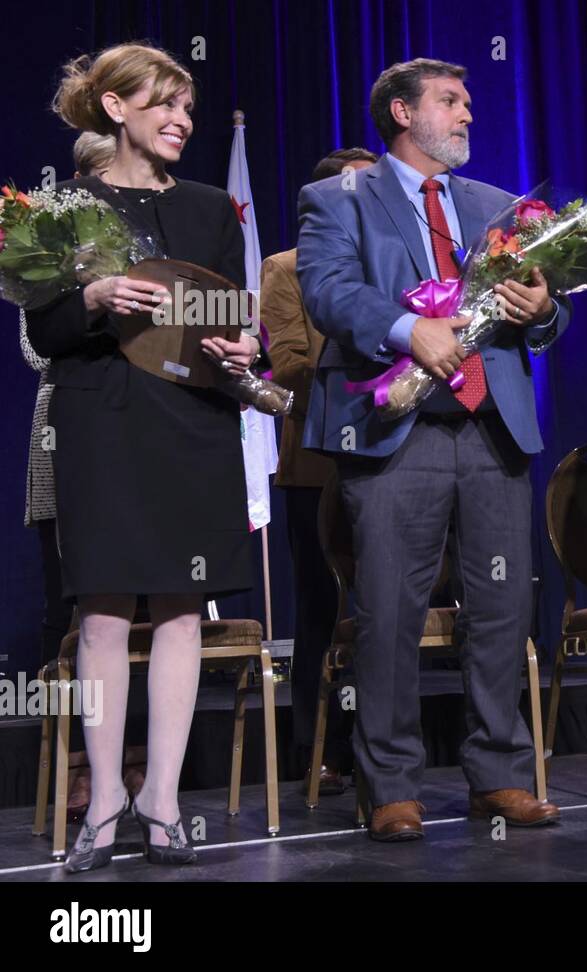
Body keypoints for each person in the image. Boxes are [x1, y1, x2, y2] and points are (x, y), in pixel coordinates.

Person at [297, 58, 568, 839]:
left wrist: (542, 308)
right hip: (395, 432)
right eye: (450, 102)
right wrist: (405, 327)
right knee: (389, 610)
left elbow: (549, 326)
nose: (468, 115)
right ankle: (390, 787)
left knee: (501, 607)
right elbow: (328, 290)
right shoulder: (336, 198)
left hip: (492, 429)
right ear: (401, 113)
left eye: (468, 103)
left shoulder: (500, 206)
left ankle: (500, 775)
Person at [29, 42, 260, 872]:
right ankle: (104, 807)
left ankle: (161, 803)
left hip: (193, 420)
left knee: (178, 612)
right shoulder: (64, 209)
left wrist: (241, 347)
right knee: (101, 615)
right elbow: (43, 331)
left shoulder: (208, 207)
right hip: (105, 420)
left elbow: (237, 322)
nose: (181, 121)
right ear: (116, 109)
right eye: (163, 104)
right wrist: (92, 296)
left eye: (188, 109)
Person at [22, 131, 152, 821]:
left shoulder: (157, 225)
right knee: (66, 614)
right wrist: (93, 297)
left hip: (153, 429)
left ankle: (138, 765)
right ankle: (76, 763)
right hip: (69, 434)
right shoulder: (49, 244)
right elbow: (33, 342)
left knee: (154, 612)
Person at [261, 146, 377, 795]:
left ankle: (376, 743)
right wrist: (373, 358)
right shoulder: (286, 268)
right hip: (315, 463)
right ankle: (313, 748)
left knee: (384, 605)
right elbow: (287, 368)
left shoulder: (392, 263)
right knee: (318, 608)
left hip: (391, 454)